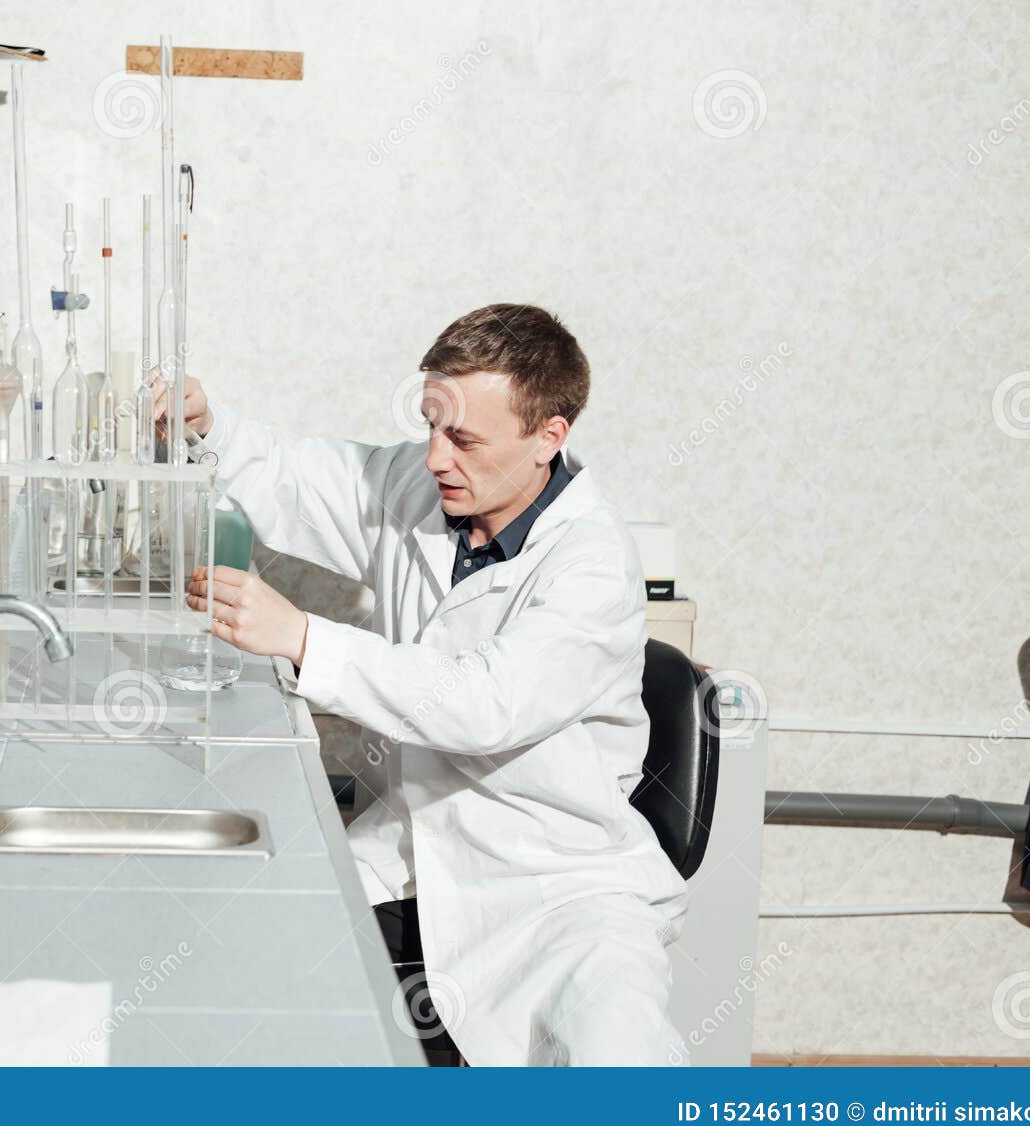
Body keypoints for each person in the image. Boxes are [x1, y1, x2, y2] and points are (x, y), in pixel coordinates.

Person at [162, 304, 688, 1066]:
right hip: (410, 859)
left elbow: (482, 704)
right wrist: (208, 424)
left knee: (617, 1062)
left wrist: (303, 637)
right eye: (431, 425)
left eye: (464, 439)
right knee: (261, 994)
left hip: (559, 890)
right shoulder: (423, 485)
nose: (435, 456)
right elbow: (294, 477)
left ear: (549, 436)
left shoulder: (592, 567)